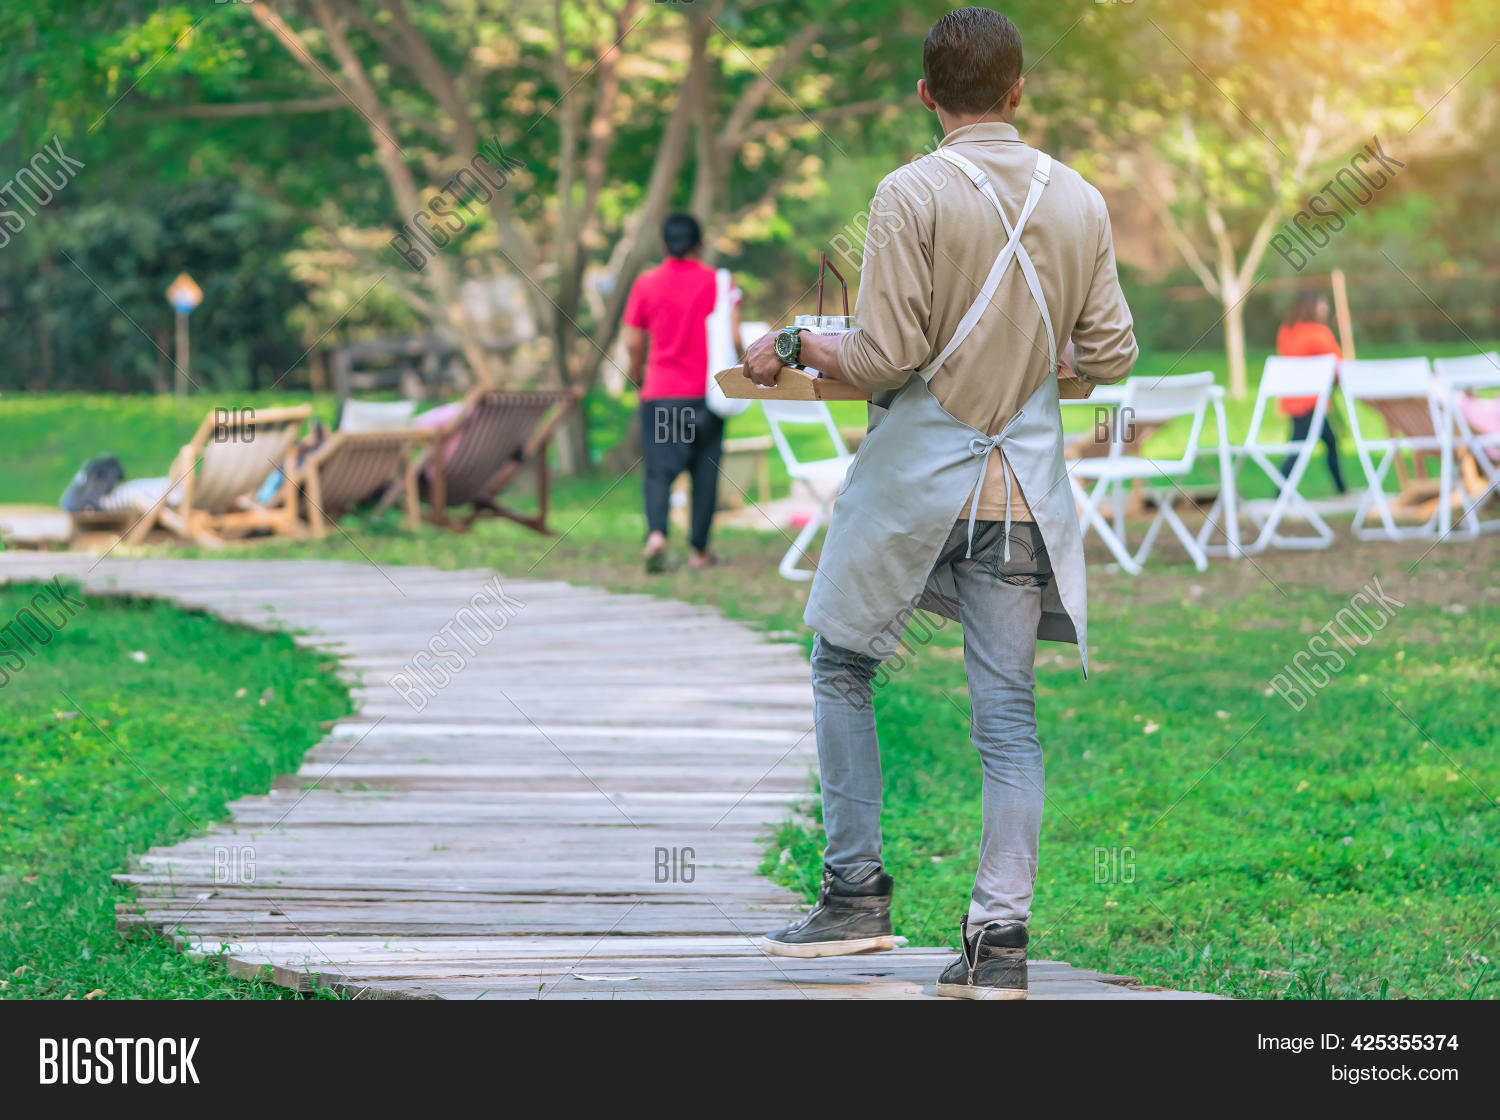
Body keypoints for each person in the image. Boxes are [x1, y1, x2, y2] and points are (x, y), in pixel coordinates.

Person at [743, 6, 1137, 999]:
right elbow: (1113, 356)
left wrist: (794, 341)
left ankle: (854, 898)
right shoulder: (1080, 199)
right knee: (1008, 719)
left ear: (926, 95)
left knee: (841, 661)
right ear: (1017, 92)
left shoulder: (908, 193)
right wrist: (1036, 364)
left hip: (918, 480)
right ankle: (998, 941)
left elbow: (883, 357)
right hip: (1017, 491)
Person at [622, 213, 741, 572]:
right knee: (705, 472)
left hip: (662, 396)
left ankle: (657, 535)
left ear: (663, 245)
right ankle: (699, 552)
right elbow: (734, 337)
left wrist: (637, 377)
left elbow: (632, 342)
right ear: (699, 244)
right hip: (708, 395)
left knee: (659, 472)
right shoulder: (719, 282)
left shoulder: (646, 283)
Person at [1276, 293, 1348, 493]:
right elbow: (1339, 365)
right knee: (1298, 450)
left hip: (1291, 399)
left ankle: (1342, 489)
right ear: (1311, 307)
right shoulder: (1319, 333)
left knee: (1324, 443)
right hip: (1311, 402)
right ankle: (1279, 493)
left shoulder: (1286, 330)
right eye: (1322, 305)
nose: (1326, 309)